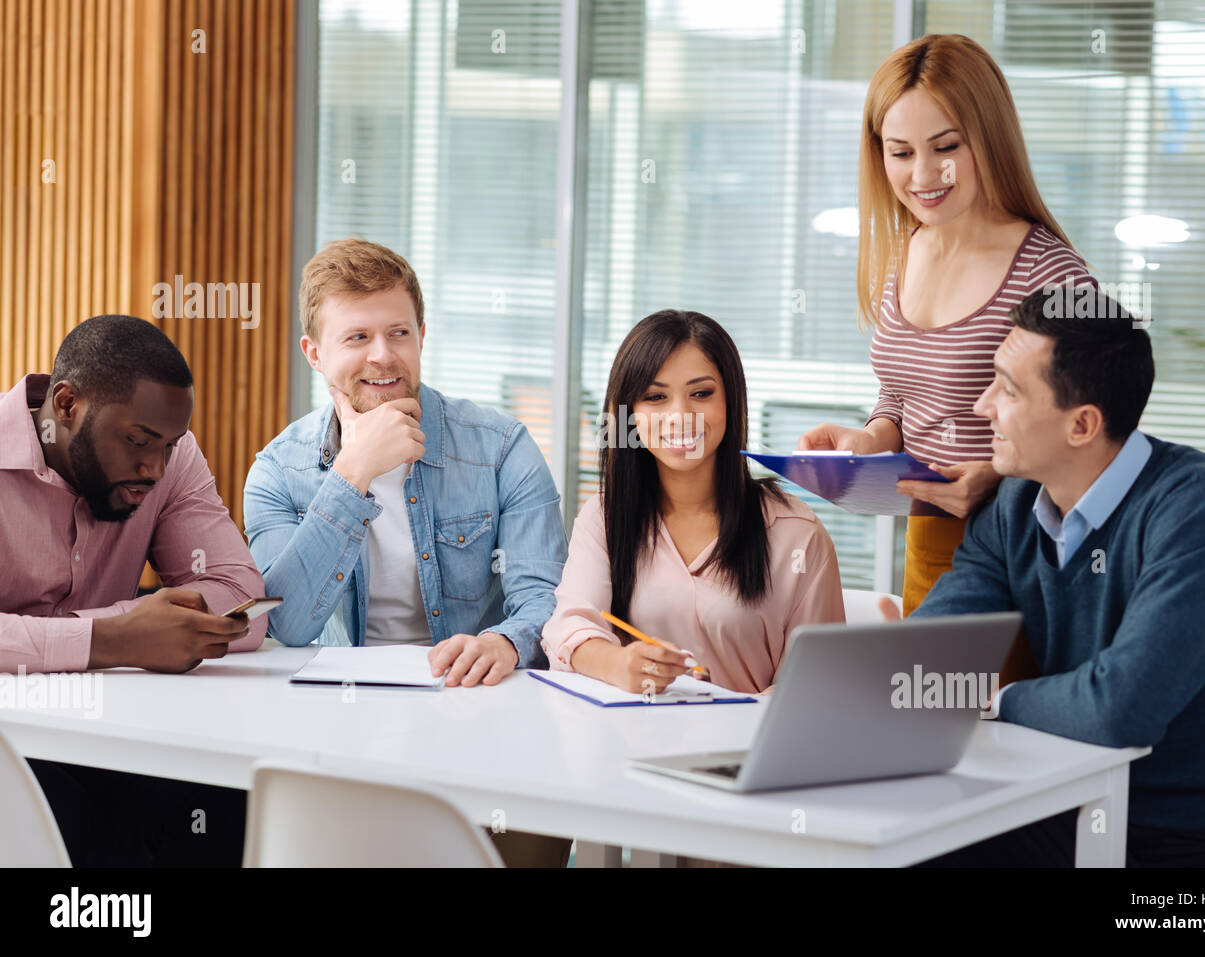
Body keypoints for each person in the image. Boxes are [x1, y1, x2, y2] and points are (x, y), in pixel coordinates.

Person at [895, 287, 1205, 867]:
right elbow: (933, 658)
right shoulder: (1011, 507)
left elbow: (1119, 707)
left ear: (1082, 425)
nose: (984, 406)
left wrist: (996, 699)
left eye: (1007, 390)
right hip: (1074, 809)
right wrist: (885, 666)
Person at [244, 239, 571, 866]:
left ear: (423, 334)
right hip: (342, 735)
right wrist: (353, 474)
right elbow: (288, 621)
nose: (383, 355)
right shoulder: (278, 472)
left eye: (398, 332)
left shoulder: (502, 448)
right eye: (357, 337)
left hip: (486, 725)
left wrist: (505, 641)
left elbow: (544, 596)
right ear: (314, 352)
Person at [798, 34, 1094, 617]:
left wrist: (995, 476)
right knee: (929, 704)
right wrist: (872, 441)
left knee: (1001, 708)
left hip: (1023, 554)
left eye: (946, 146)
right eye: (900, 152)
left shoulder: (1052, 274)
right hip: (928, 543)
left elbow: (1094, 436)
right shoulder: (906, 252)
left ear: (988, 137)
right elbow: (902, 396)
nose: (923, 174)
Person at [1, 314, 268, 865]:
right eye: (139, 441)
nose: (155, 467)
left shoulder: (170, 457)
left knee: (236, 812)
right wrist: (114, 638)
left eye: (169, 446)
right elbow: (122, 639)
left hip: (116, 738)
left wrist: (128, 628)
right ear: (68, 406)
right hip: (12, 748)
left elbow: (239, 596)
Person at [541, 309, 845, 697]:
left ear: (731, 402)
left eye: (701, 394)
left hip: (747, 748)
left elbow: (817, 685)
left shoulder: (797, 534)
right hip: (630, 743)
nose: (680, 416)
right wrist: (617, 663)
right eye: (655, 397)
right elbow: (568, 628)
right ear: (628, 414)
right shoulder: (603, 516)